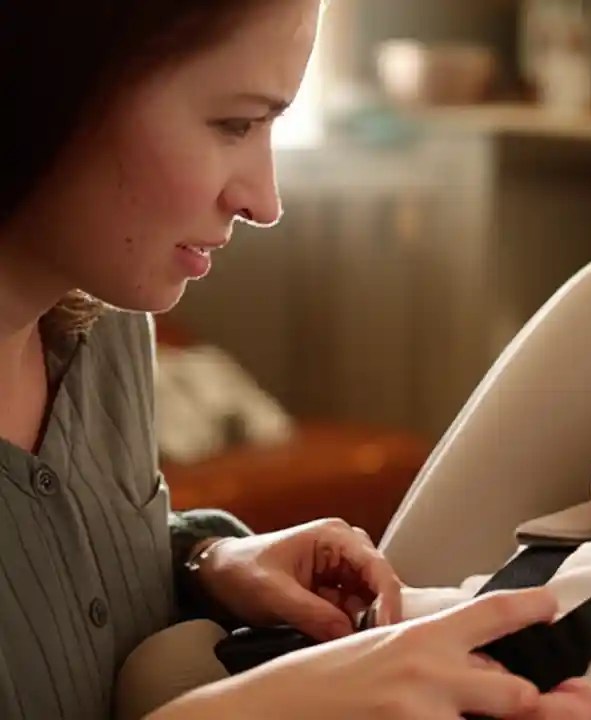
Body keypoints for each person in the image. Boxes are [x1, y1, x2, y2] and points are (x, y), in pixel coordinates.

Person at [0, 1, 559, 718]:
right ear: (49, 76)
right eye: (234, 123)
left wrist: (208, 560)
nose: (264, 202)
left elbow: (51, 579)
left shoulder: (108, 329)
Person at [124, 340, 591, 719]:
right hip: (423, 694)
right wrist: (377, 611)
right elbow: (468, 609)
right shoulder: (571, 556)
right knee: (167, 662)